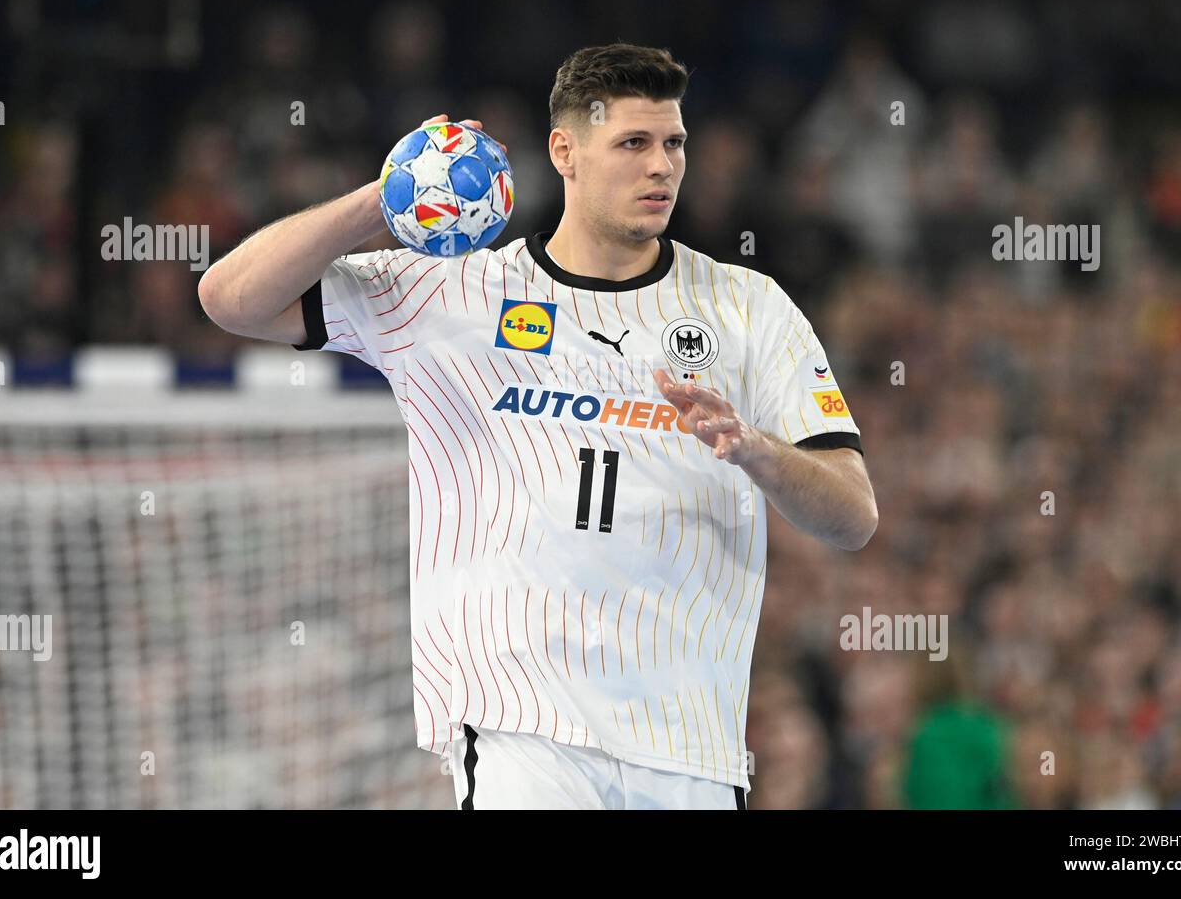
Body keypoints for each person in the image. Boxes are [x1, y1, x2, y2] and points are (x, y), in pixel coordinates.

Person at [198, 42, 878, 809]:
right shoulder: (452, 293)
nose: (662, 167)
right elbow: (231, 297)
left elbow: (853, 517)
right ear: (566, 152)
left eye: (674, 143)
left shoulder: (748, 307)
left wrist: (759, 453)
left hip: (693, 745)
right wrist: (382, 197)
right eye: (633, 143)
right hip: (522, 732)